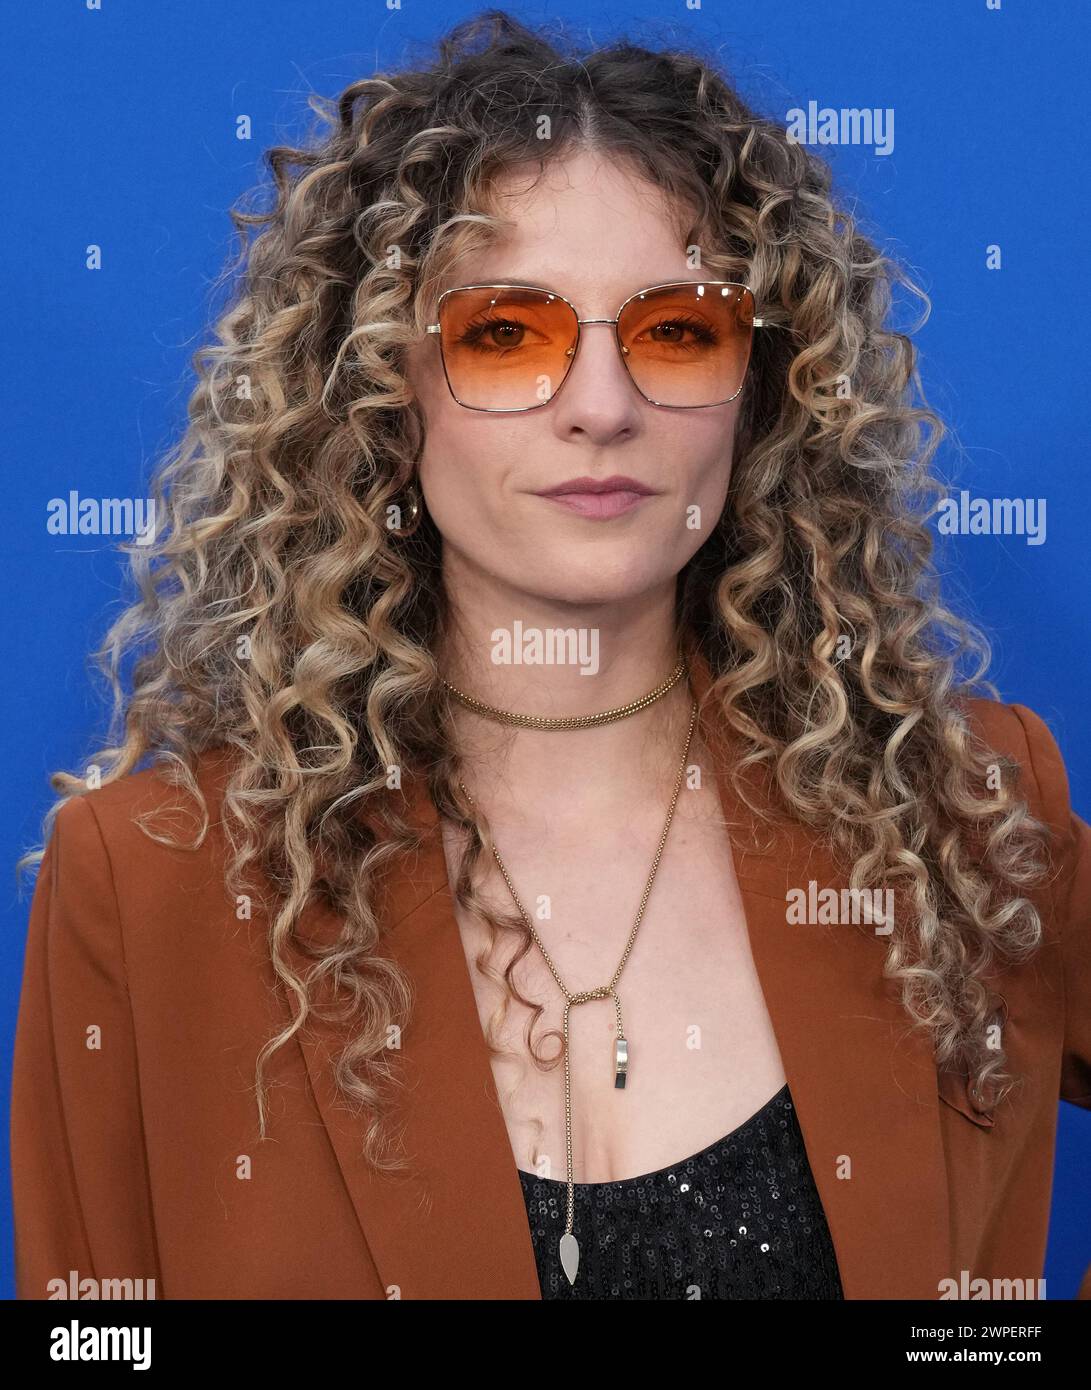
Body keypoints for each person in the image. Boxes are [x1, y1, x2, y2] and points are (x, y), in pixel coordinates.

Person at [11, 11, 1090, 1301]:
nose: (600, 404)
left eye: (679, 330)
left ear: (763, 390)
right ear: (381, 387)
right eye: (506, 335)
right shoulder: (148, 884)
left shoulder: (963, 817)